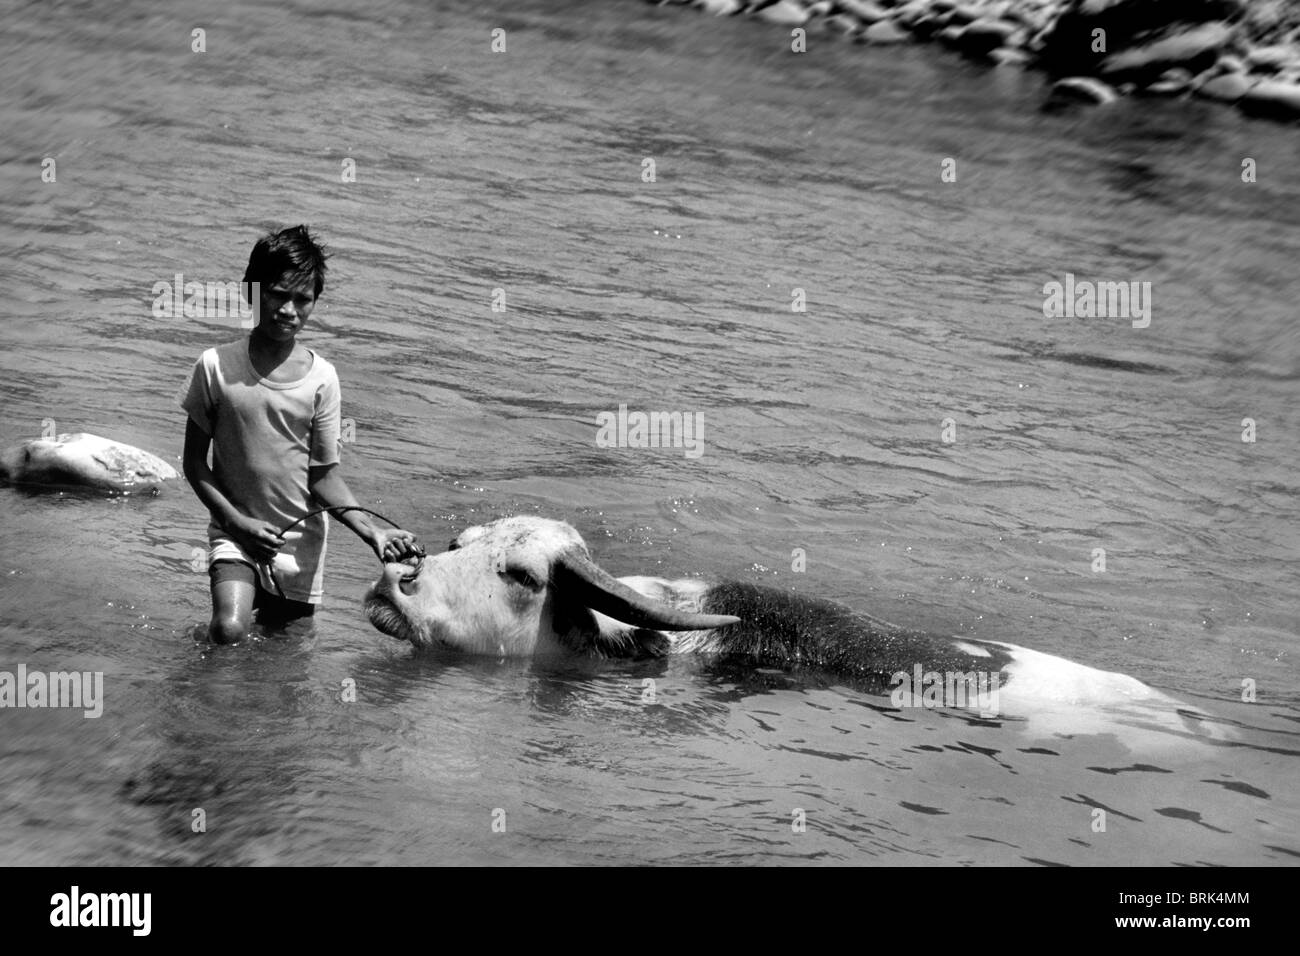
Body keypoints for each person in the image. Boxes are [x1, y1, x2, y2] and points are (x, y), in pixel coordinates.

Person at [180, 225, 418, 643]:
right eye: (277, 293)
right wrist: (235, 521)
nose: (289, 309)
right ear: (251, 292)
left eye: (302, 299)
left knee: (282, 659)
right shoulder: (215, 366)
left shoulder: (322, 379)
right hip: (234, 533)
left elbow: (323, 476)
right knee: (230, 629)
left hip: (299, 547)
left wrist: (373, 533)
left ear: (314, 303)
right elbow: (194, 462)